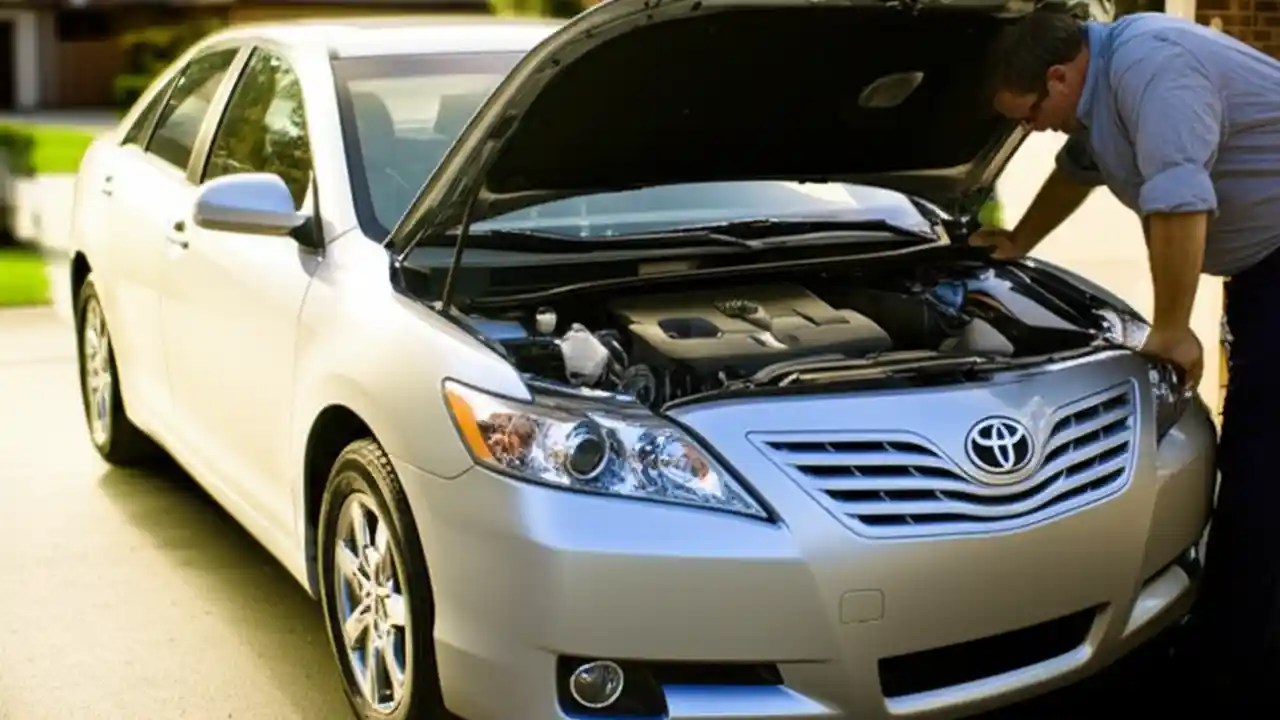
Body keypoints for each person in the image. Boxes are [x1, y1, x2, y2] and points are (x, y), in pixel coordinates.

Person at [978, 9, 1280, 712]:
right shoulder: (1102, 83)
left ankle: (1234, 666)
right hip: (1262, 270)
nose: (1034, 130)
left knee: (1261, 463)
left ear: (1059, 77)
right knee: (1256, 448)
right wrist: (1017, 241)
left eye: (1030, 115)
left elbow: (1178, 200)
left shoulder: (1151, 64)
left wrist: (1171, 329)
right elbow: (1076, 171)